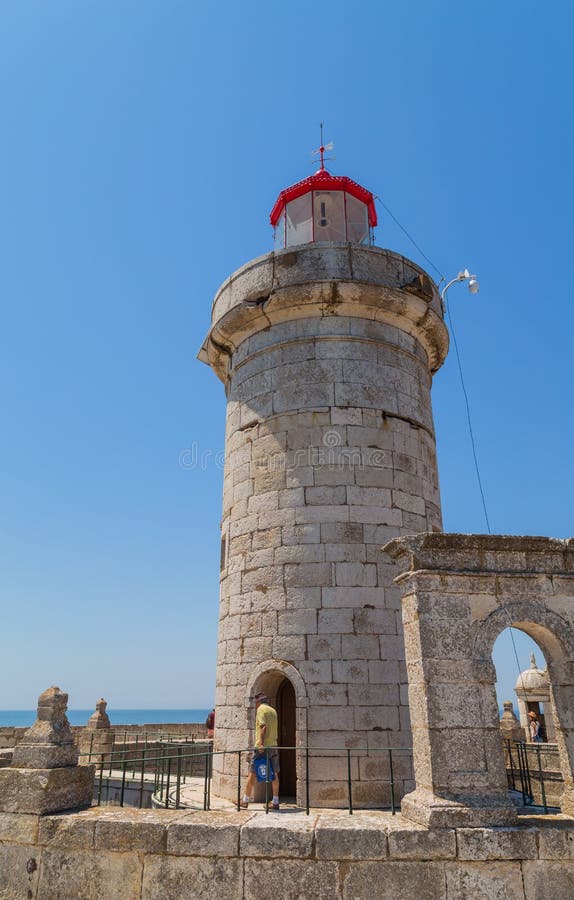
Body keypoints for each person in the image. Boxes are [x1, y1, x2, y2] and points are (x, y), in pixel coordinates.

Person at [241, 691, 280, 811]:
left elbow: (263, 726)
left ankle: (245, 801)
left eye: (256, 702)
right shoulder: (273, 711)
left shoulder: (261, 710)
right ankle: (275, 801)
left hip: (262, 748)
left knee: (252, 772)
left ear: (258, 702)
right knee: (274, 774)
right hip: (273, 746)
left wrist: (261, 744)